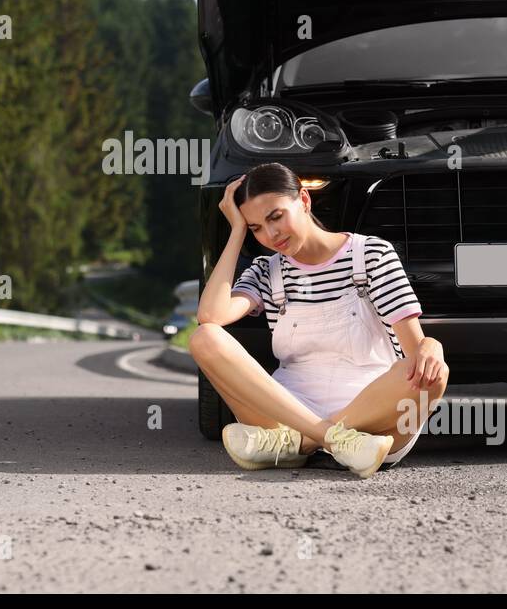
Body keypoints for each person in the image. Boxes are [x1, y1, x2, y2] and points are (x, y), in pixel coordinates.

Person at [189, 161, 449, 478]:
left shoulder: (371, 255)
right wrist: (235, 232)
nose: (271, 234)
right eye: (256, 227)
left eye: (276, 216)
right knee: (205, 337)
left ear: (304, 200)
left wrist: (430, 346)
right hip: (283, 415)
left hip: (374, 424)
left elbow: (414, 350)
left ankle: (301, 444)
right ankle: (330, 439)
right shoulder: (265, 271)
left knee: (431, 373)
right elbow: (211, 316)